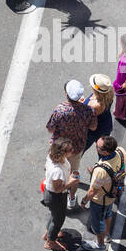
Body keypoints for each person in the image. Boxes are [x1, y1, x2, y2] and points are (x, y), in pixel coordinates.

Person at [46, 80, 95, 209]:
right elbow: (94, 127)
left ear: (67, 94)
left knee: (55, 169)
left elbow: (50, 129)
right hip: (76, 148)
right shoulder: (88, 110)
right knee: (74, 174)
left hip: (58, 148)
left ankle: (53, 188)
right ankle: (72, 198)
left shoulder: (59, 110)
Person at [80, 135, 126, 251]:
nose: (96, 146)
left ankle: (100, 245)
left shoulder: (100, 171)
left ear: (105, 152)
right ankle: (107, 234)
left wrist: (84, 201)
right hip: (112, 196)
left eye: (98, 147)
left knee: (97, 224)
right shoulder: (121, 152)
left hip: (99, 201)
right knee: (108, 214)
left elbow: (92, 191)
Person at [42, 138, 71, 251]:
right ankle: (50, 242)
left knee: (55, 216)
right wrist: (71, 182)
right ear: (62, 153)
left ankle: (49, 233)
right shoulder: (57, 171)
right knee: (58, 219)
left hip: (52, 194)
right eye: (69, 149)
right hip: (56, 196)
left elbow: (45, 167)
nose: (72, 150)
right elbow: (58, 189)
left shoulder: (51, 156)